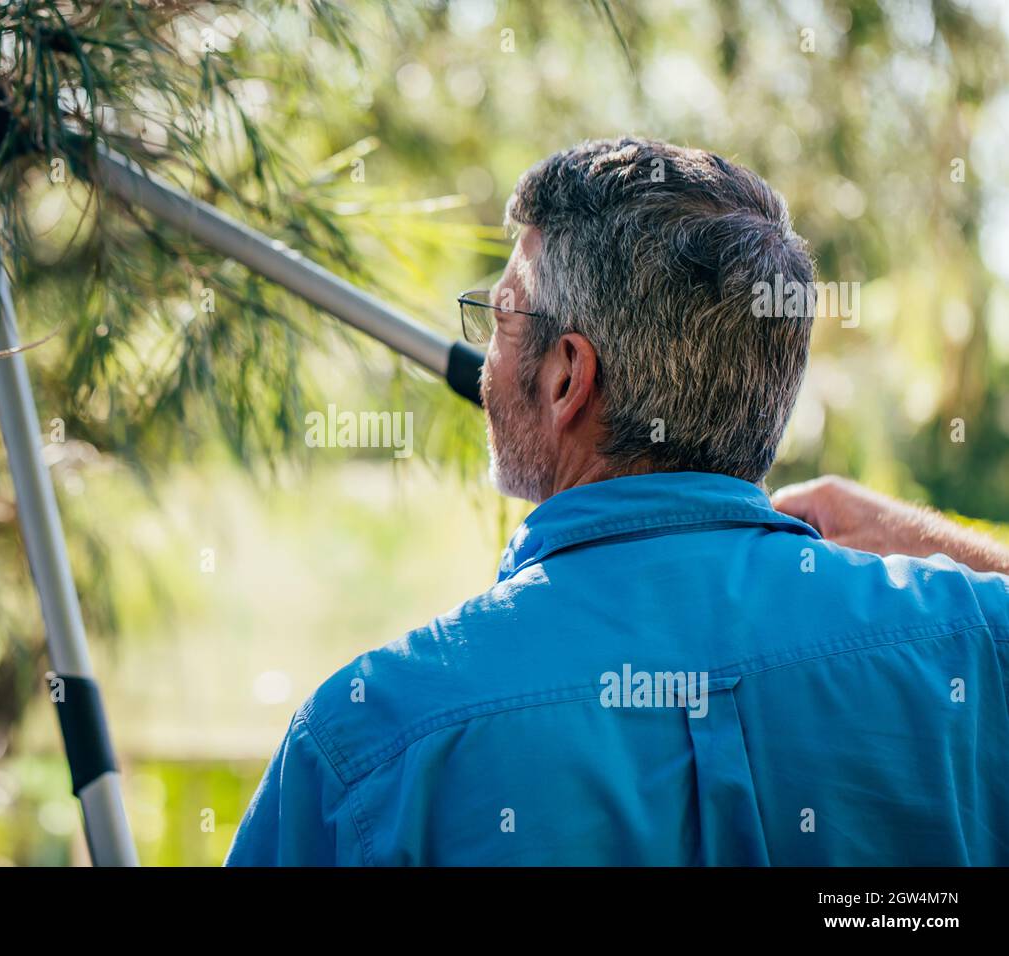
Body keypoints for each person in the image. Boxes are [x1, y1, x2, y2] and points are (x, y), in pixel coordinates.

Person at [225, 138, 1009, 865]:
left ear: (568, 377)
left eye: (500, 316)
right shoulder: (978, 649)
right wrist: (932, 544)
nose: (486, 361)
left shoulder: (366, 741)